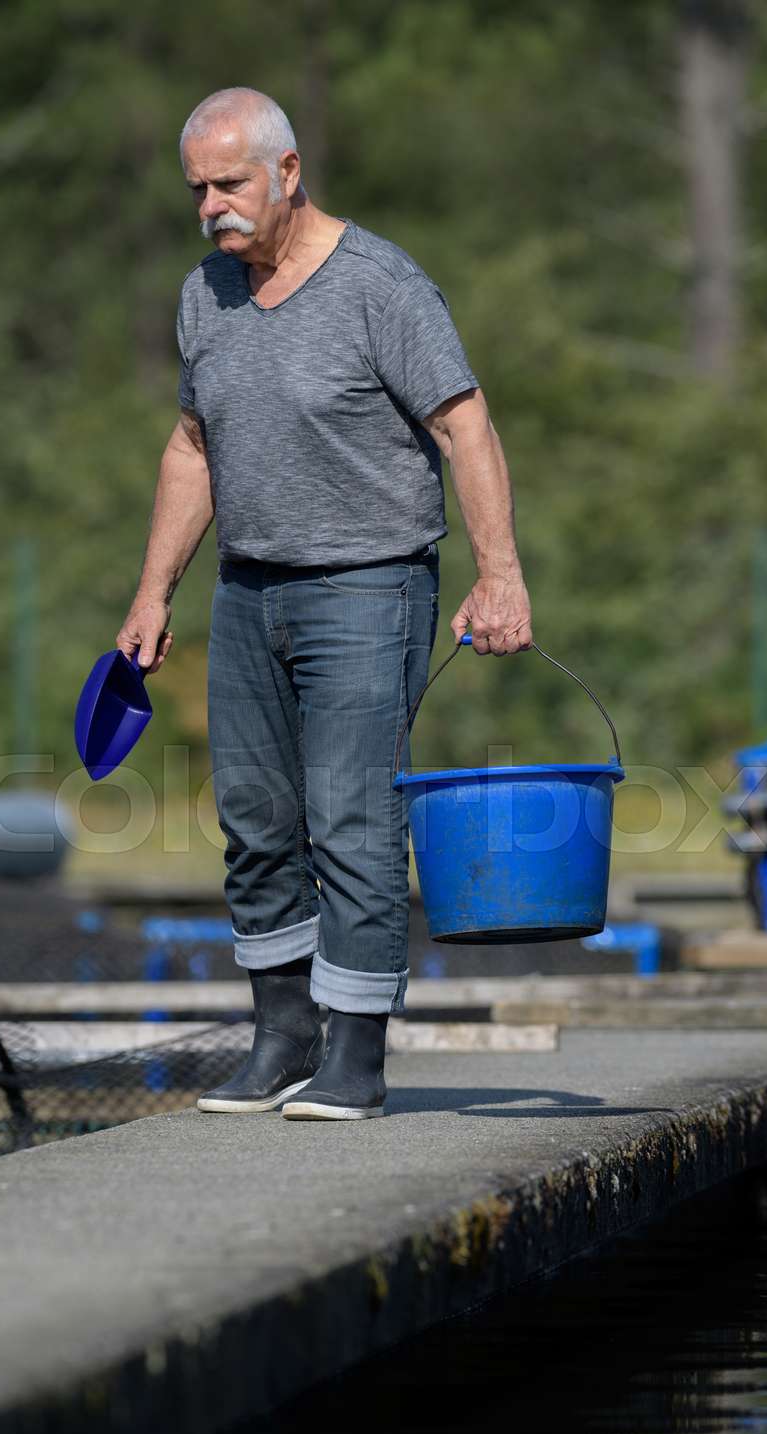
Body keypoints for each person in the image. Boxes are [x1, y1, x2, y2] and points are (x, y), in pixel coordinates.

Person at [116, 86, 532, 1122]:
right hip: (249, 589)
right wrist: (152, 590)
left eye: (231, 183)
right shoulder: (203, 295)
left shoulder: (380, 287)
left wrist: (501, 571)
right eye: (197, 188)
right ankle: (282, 1034)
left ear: (289, 172)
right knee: (258, 822)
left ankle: (356, 1053)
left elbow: (464, 427)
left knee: (350, 819)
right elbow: (192, 448)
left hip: (368, 585)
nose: (212, 204)